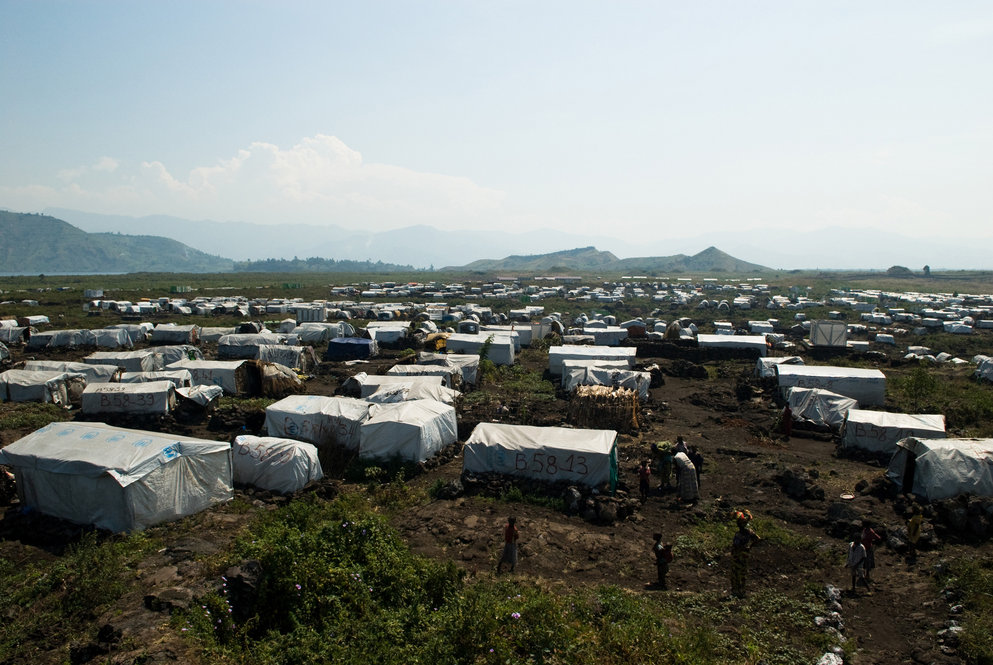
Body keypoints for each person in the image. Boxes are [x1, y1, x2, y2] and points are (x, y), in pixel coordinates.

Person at [729, 510, 760, 597]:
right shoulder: (746, 532)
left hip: (739, 554)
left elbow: (757, 539)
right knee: (739, 573)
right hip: (741, 554)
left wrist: (749, 546)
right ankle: (739, 591)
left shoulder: (746, 532)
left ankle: (738, 591)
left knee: (738, 573)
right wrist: (749, 547)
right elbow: (757, 540)